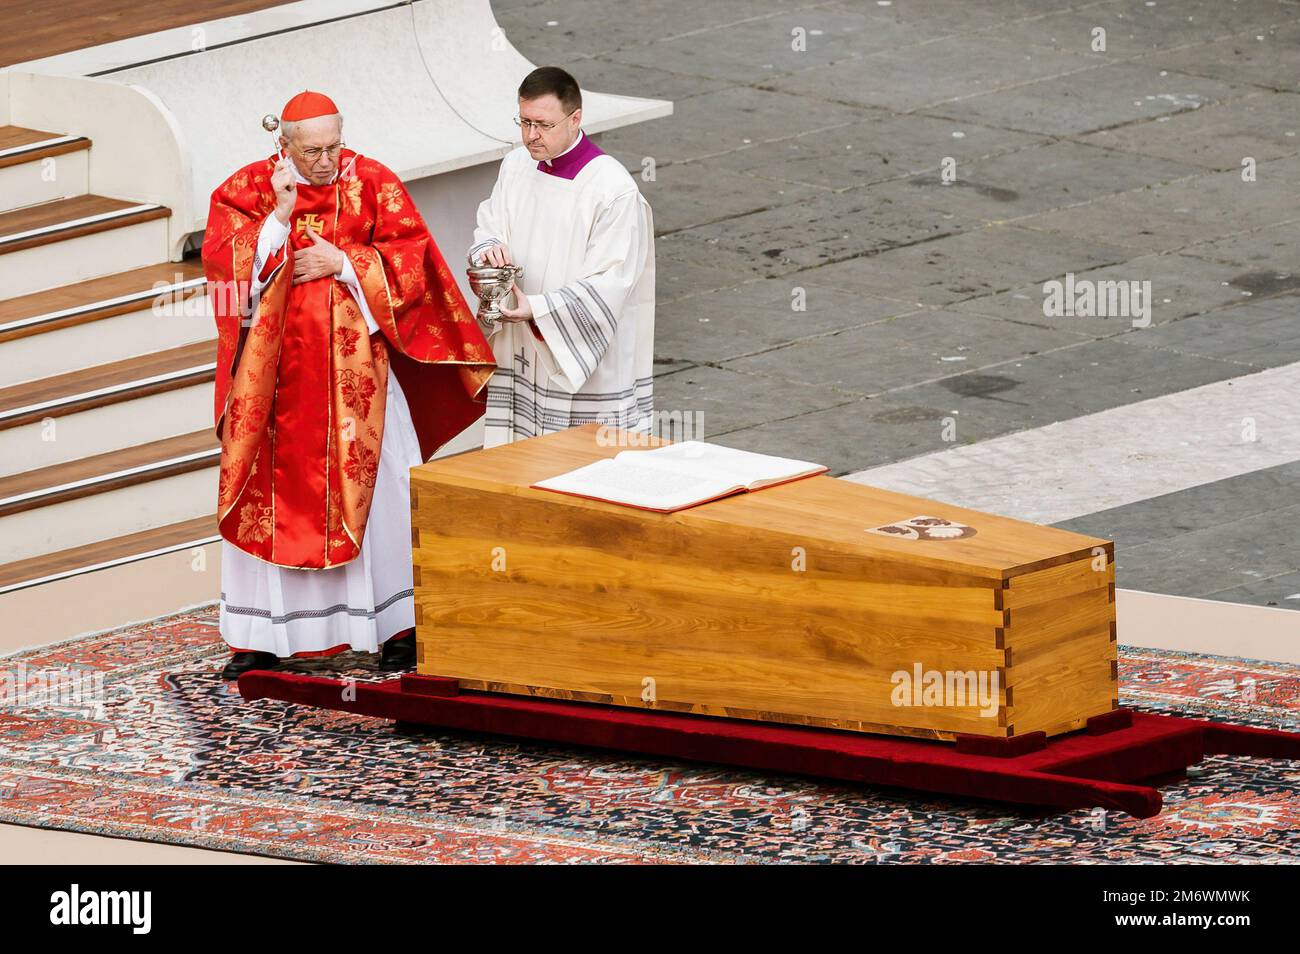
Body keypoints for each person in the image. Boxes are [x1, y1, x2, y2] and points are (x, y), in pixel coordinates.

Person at [203, 90, 495, 679]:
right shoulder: (247, 190)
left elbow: (416, 264)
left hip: (362, 381)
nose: (327, 161)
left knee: (384, 494)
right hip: (276, 388)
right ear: (282, 145)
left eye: (334, 146)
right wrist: (279, 222)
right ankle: (264, 636)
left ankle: (394, 628)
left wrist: (345, 264)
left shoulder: (372, 182)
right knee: (272, 501)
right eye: (312, 151)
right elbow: (224, 279)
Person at [469, 66, 655, 447]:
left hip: (577, 354)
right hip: (522, 345)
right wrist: (488, 248)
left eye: (543, 125)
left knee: (581, 468)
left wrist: (539, 310)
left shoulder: (611, 189)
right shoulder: (516, 165)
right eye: (524, 122)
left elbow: (611, 281)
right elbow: (491, 221)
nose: (531, 136)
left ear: (575, 119)